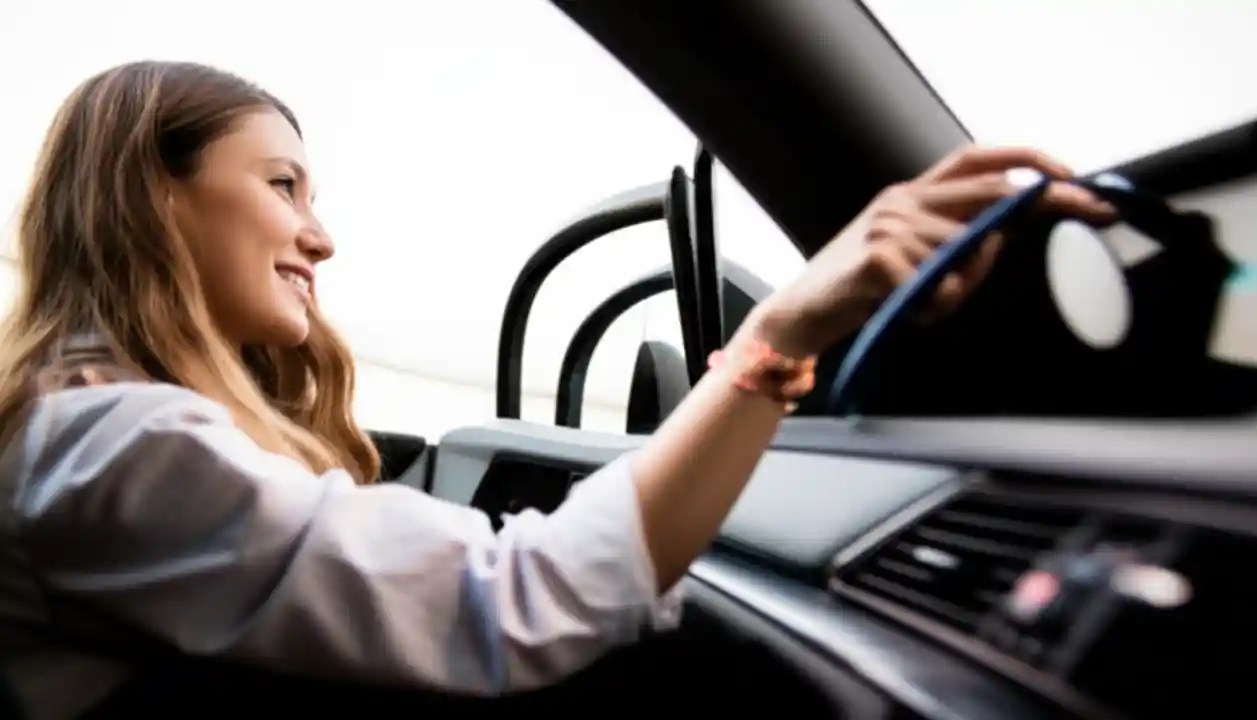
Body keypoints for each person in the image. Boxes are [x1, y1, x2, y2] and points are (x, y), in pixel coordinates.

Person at [0, 60, 1115, 717]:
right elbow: (512, 604)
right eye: (282, 185)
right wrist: (775, 339)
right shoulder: (116, 444)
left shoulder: (83, 427)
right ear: (155, 194)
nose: (319, 235)